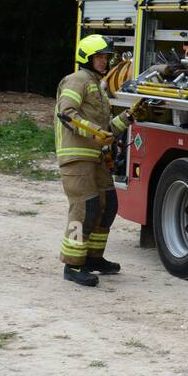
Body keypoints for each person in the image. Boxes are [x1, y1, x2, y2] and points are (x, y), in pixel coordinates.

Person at [54, 35, 143, 286]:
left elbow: (106, 129)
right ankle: (72, 265)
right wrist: (96, 132)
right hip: (76, 158)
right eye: (100, 57)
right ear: (87, 58)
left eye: (106, 57)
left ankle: (93, 258)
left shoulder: (98, 85)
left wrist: (127, 116)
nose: (105, 61)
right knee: (85, 207)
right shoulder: (77, 80)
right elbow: (66, 114)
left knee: (108, 205)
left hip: (97, 158)